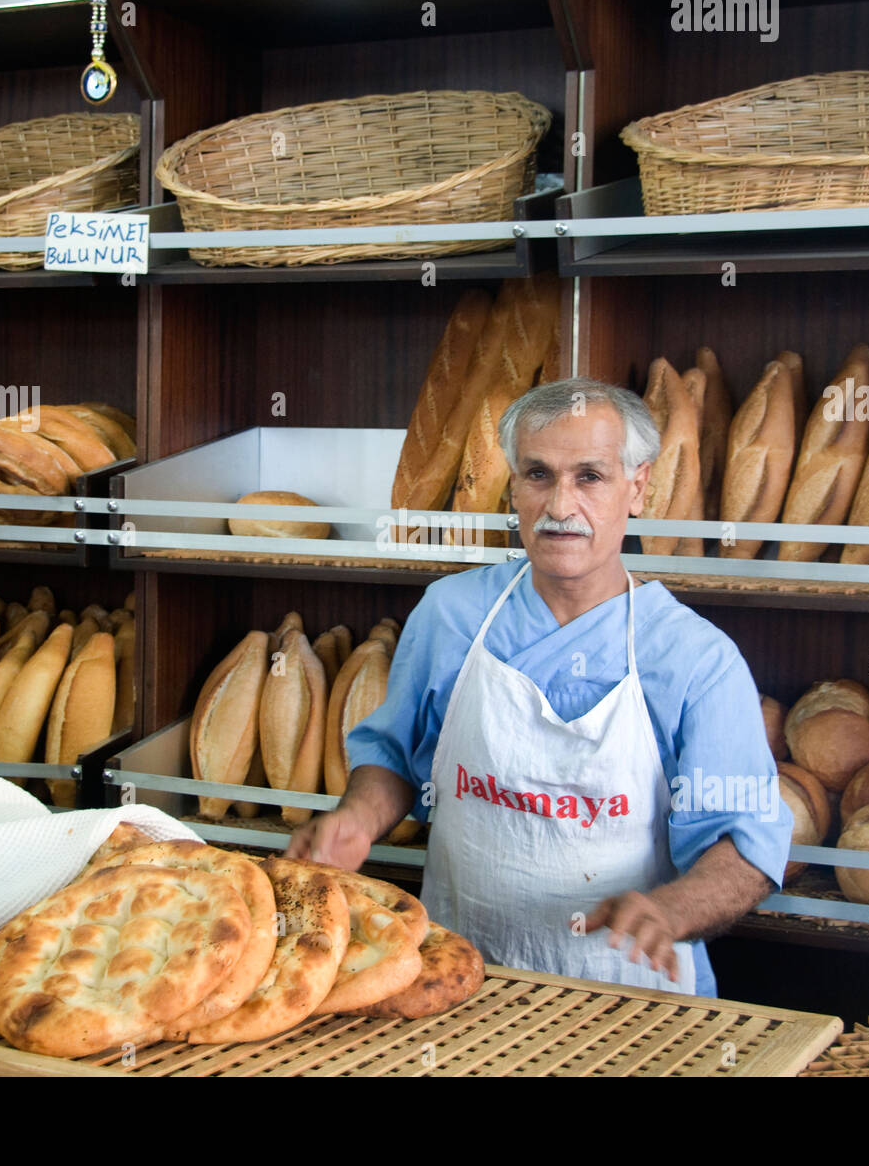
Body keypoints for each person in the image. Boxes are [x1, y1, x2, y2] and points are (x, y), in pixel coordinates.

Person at [285, 377, 792, 996]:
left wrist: (673, 910)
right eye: (538, 475)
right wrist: (358, 819)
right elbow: (395, 759)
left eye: (590, 477)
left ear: (638, 488)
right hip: (461, 979)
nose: (559, 506)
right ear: (514, 486)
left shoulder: (695, 659)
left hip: (630, 998)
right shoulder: (450, 616)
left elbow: (744, 845)